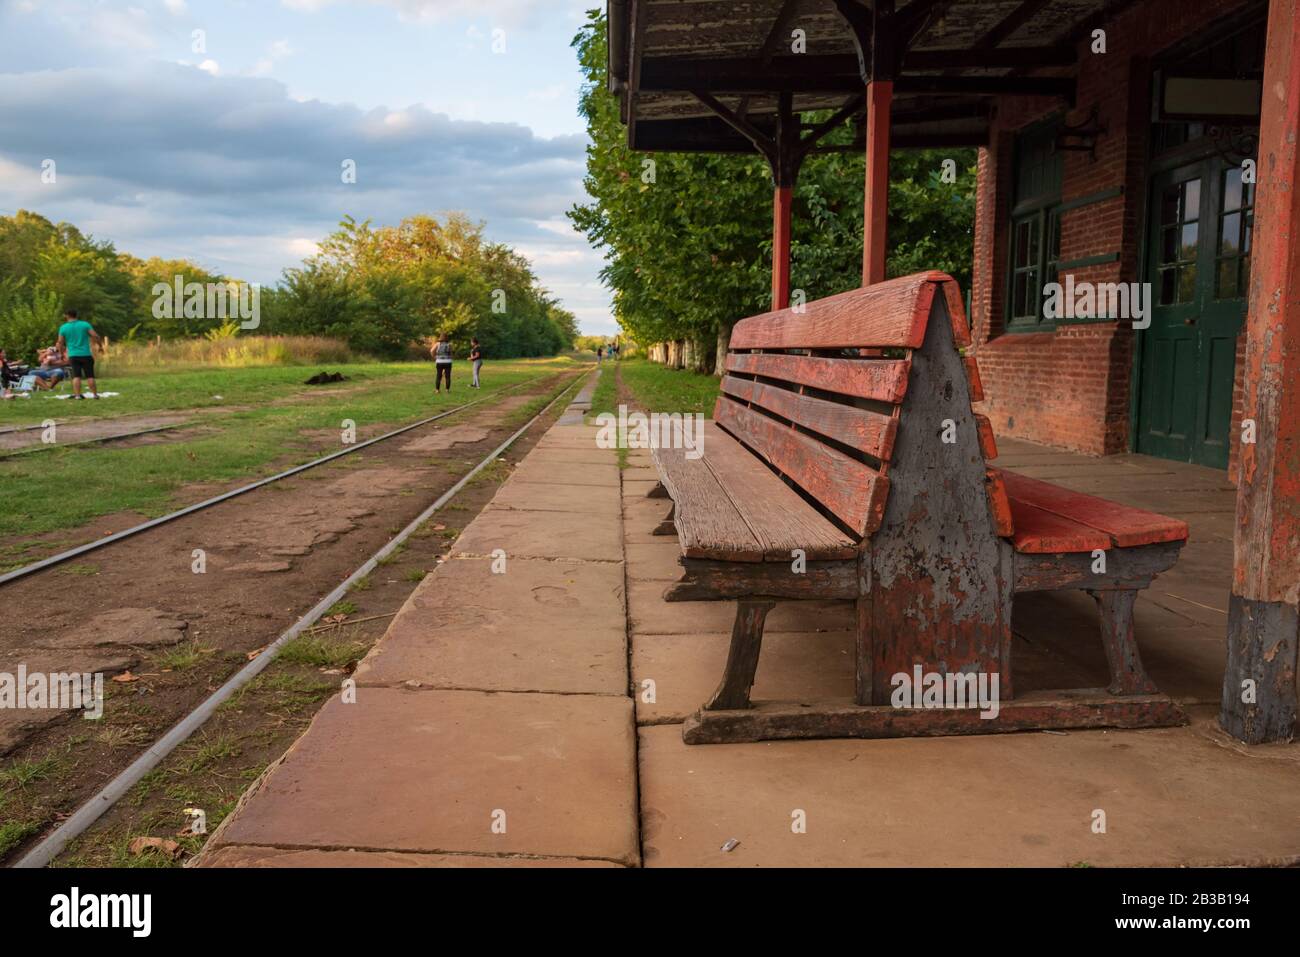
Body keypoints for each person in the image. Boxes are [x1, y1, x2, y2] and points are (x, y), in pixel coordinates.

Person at [56, 309, 101, 400]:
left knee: (76, 376)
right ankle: (95, 395)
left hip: (73, 355)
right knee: (90, 375)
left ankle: (77, 395)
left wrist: (61, 354)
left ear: (67, 316)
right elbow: (95, 336)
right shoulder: (85, 324)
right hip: (86, 354)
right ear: (76, 315)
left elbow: (60, 342)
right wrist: (100, 346)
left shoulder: (63, 327)